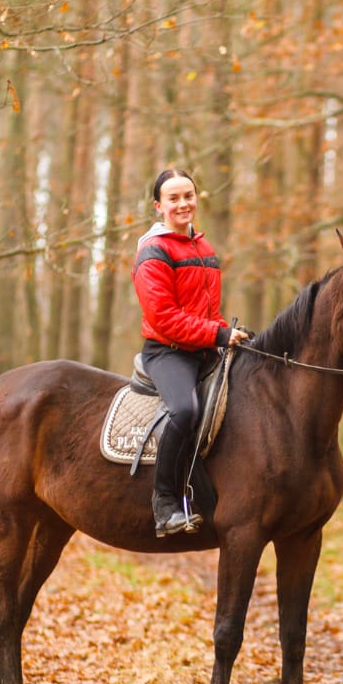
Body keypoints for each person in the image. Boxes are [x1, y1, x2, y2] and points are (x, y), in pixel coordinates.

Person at [132, 168, 249, 537]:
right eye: (174, 198)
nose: (183, 204)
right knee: (185, 410)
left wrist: (229, 334)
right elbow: (163, 318)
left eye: (188, 196)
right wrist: (217, 333)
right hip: (167, 352)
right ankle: (165, 503)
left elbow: (206, 310)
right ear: (158, 206)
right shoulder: (154, 251)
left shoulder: (203, 247)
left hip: (202, 346)